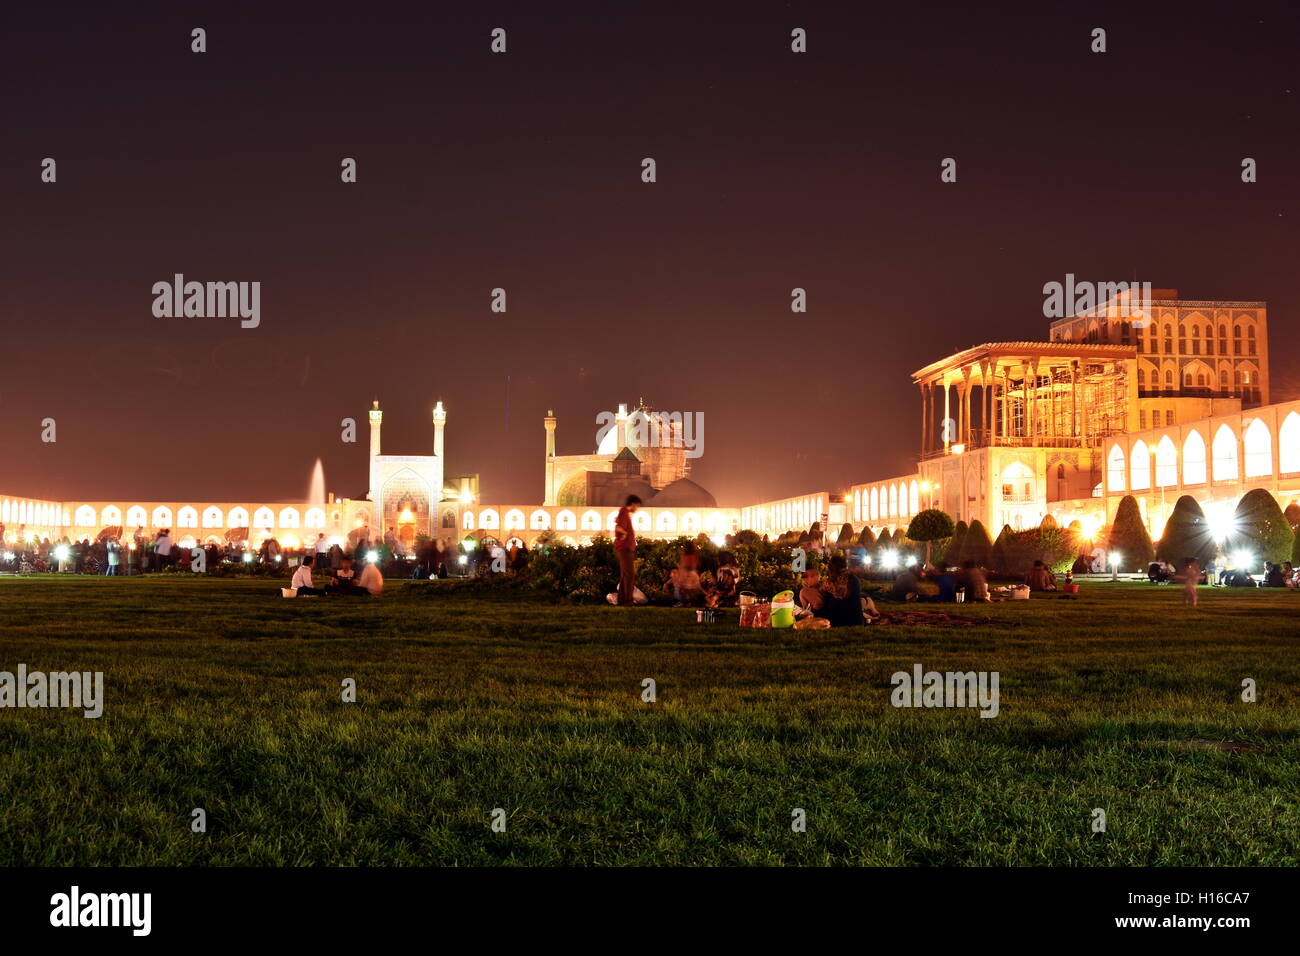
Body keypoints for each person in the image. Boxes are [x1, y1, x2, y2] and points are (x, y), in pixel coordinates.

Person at [820, 554, 865, 626]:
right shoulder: (853, 578)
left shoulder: (831, 582)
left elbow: (827, 605)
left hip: (839, 621)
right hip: (856, 620)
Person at [613, 494, 641, 606]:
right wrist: (625, 533)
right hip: (625, 549)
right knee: (629, 575)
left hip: (625, 548)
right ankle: (628, 601)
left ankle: (623, 600)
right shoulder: (624, 513)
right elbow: (618, 527)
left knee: (625, 575)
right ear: (633, 504)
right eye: (637, 506)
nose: (637, 509)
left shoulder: (624, 513)